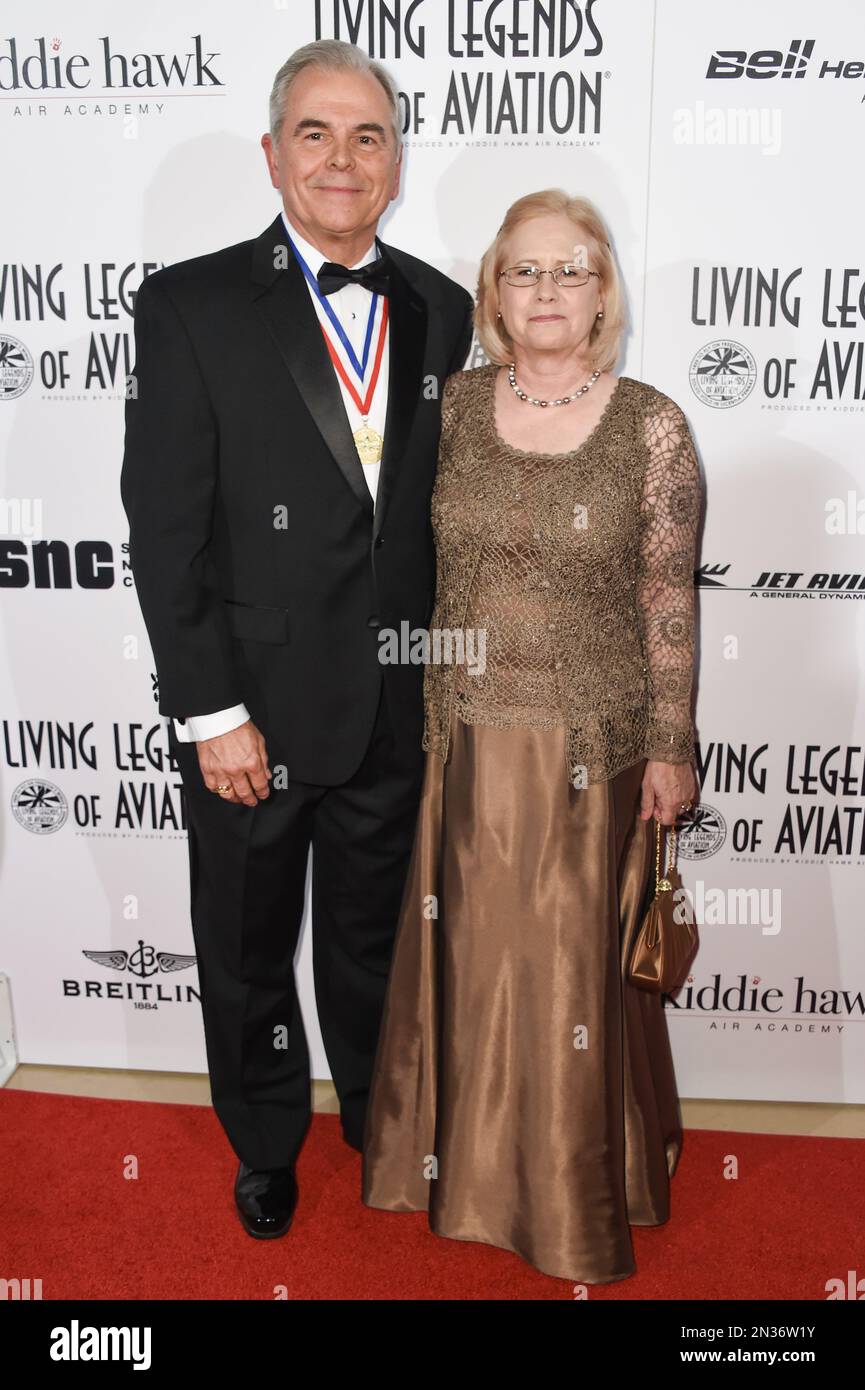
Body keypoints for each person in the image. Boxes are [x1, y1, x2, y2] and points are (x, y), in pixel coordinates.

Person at [120, 39, 473, 1241]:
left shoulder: (441, 306)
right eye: (315, 133)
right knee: (248, 943)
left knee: (374, 941)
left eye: (367, 135)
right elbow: (164, 528)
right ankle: (266, 1143)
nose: (342, 157)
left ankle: (381, 1117)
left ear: (396, 162)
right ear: (273, 154)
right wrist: (212, 712)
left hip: (391, 708)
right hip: (252, 716)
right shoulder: (192, 302)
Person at [362, 188, 702, 1284]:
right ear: (493, 295)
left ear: (602, 292)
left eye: (570, 270)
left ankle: (566, 1196)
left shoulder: (650, 422)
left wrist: (670, 741)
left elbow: (666, 598)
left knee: (566, 986)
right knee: (471, 960)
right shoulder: (449, 409)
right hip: (461, 737)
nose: (547, 290)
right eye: (524, 271)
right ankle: (457, 1174)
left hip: (586, 753)